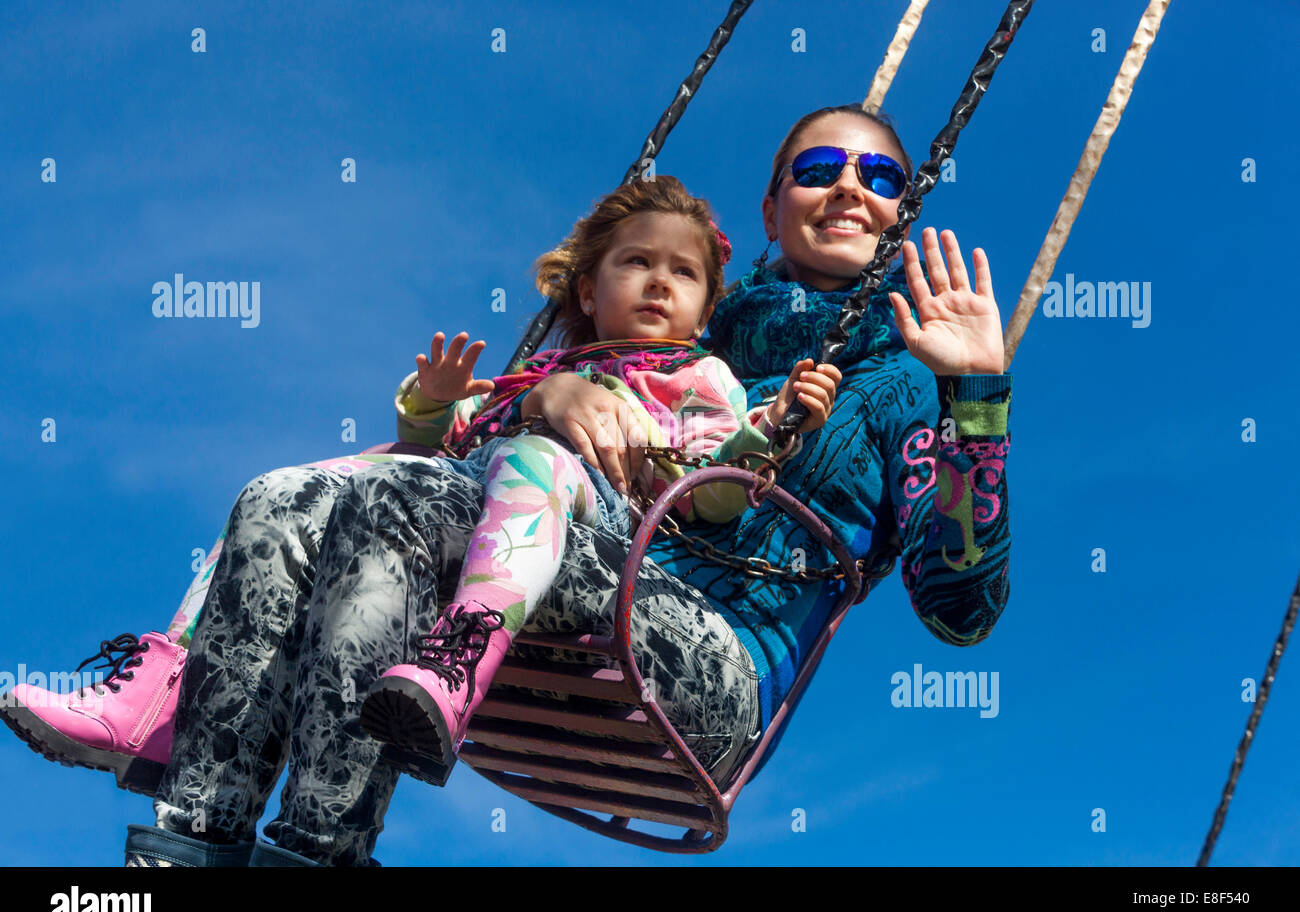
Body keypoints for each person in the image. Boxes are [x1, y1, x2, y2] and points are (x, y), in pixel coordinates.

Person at [3, 103, 1012, 867]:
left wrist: (976, 393)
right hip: (551, 591)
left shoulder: (896, 379)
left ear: (901, 208)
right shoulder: (682, 337)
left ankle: (318, 845)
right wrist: (551, 393)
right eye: (819, 167)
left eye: (880, 174)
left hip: (703, 674)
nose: (849, 187)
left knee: (398, 507)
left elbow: (959, 608)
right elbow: (482, 437)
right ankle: (197, 835)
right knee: (287, 496)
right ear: (770, 204)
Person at [356, 175, 839, 786]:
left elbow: (710, 494)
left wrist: (765, 428)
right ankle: (193, 658)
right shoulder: (539, 374)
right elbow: (451, 447)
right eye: (637, 261)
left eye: (684, 273)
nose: (660, 280)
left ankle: (462, 653)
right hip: (479, 492)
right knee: (361, 470)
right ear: (587, 291)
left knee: (537, 457)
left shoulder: (695, 379)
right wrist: (430, 403)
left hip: (599, 514)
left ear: (704, 313)